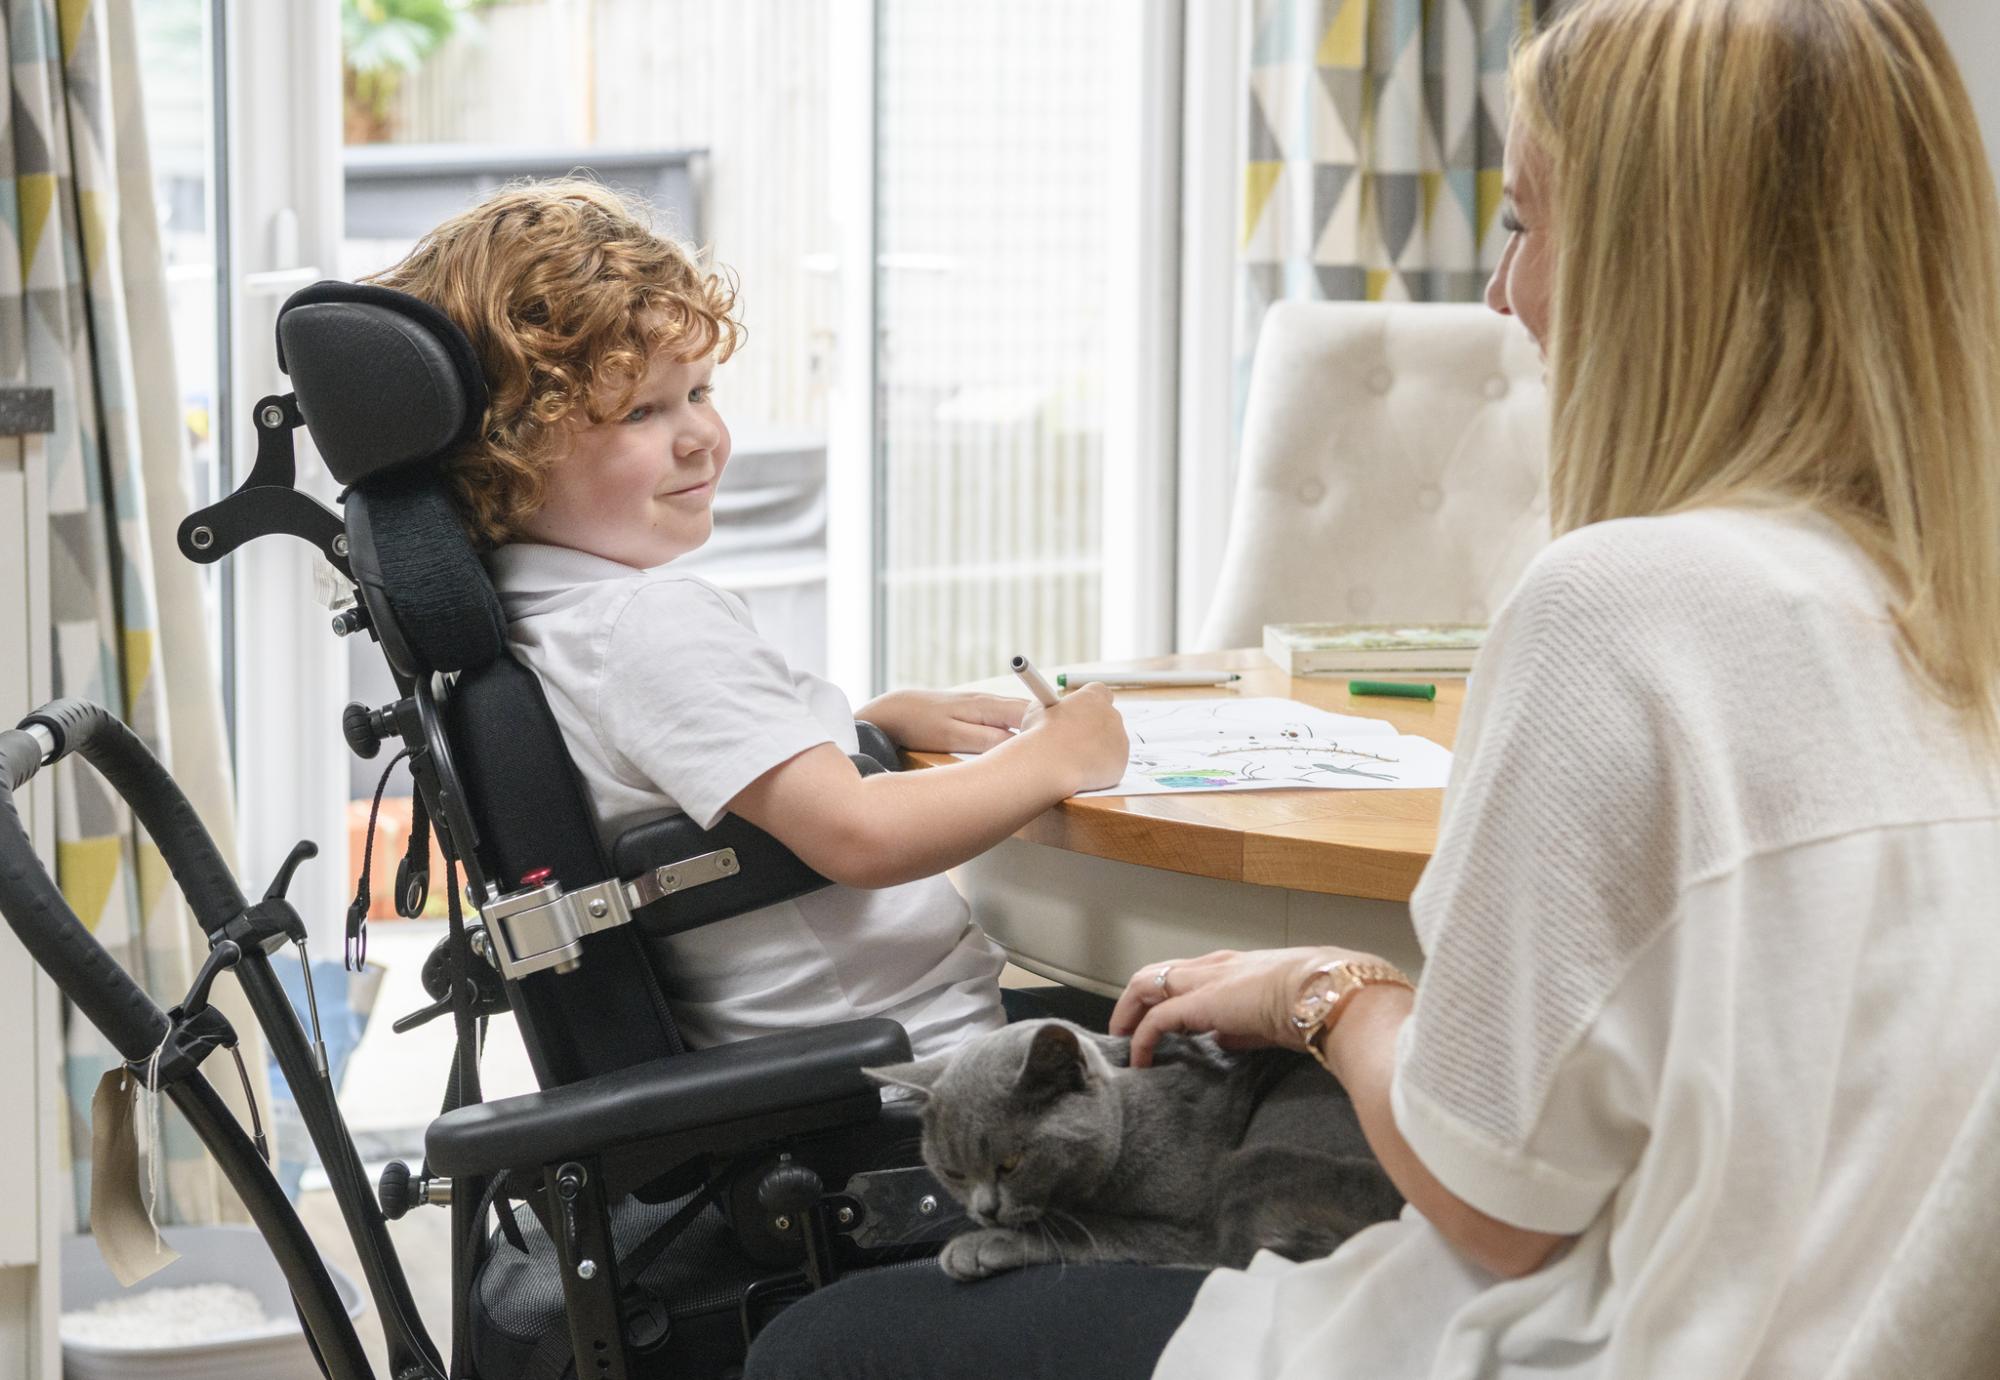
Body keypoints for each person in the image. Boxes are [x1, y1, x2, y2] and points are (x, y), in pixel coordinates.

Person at [743, 0, 2000, 1374]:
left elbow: (1496, 1202)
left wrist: (1331, 999)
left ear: (1664, 266)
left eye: (1524, 222)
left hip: (1608, 1338)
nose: (1498, 293)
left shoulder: (1618, 611)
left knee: (823, 1345)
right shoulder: (1945, 608)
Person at [365, 180, 1129, 1056]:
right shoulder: (643, 624)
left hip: (853, 1052)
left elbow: (681, 781)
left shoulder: (540, 615)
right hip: (924, 1065)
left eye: (700, 392)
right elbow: (861, 836)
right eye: (641, 411)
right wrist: (1057, 755)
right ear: (507, 453)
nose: (701, 437)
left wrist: (859, 728)